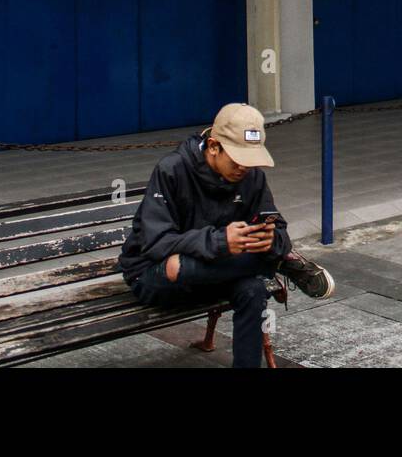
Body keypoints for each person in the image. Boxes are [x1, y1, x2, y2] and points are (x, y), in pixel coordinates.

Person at [119, 102, 334, 367]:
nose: (244, 168)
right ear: (213, 146)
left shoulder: (251, 177)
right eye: (238, 159)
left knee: (254, 289)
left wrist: (272, 240)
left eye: (250, 160)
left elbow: (276, 226)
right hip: (156, 276)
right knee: (177, 266)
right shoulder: (172, 170)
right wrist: (220, 241)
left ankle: (274, 258)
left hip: (219, 272)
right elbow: (155, 244)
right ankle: (276, 262)